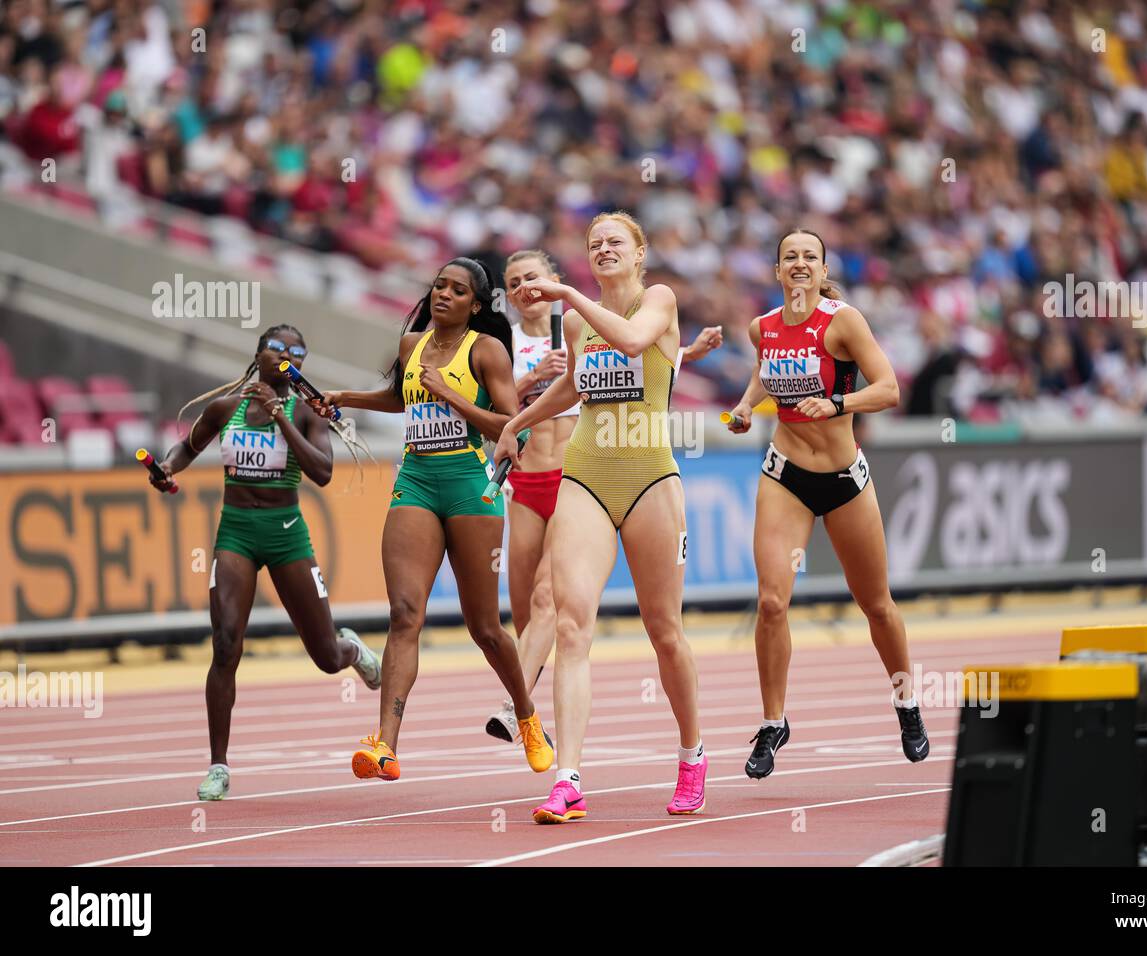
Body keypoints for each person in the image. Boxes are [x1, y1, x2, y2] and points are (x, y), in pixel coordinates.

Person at [494, 212, 706, 822]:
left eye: (616, 242)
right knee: (569, 627)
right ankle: (569, 780)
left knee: (663, 630)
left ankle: (692, 752)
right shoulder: (578, 319)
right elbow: (576, 387)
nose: (604, 249)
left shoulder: (657, 299)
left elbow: (635, 342)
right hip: (585, 475)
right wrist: (516, 423)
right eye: (595, 245)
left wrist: (566, 294)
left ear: (639, 254)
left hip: (650, 480)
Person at [316, 258, 554, 781]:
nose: (444, 294)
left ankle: (528, 715)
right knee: (404, 613)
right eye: (439, 286)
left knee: (486, 629)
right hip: (417, 482)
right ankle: (385, 746)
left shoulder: (486, 350)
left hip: (471, 487)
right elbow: (401, 397)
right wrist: (347, 399)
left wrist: (449, 392)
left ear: (475, 303)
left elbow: (511, 422)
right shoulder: (412, 346)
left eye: (457, 290)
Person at [725, 228, 929, 779]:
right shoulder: (761, 327)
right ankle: (773, 723)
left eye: (808, 257)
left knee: (876, 604)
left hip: (844, 479)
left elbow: (888, 388)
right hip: (785, 476)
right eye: (788, 257)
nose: (798, 264)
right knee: (771, 602)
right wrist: (746, 406)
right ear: (776, 270)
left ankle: (907, 705)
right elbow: (767, 373)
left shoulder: (843, 321)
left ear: (821, 269)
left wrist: (837, 401)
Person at [152, 325, 381, 801]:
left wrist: (280, 417)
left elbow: (321, 472)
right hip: (235, 531)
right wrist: (168, 468)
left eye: (296, 353)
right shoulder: (226, 409)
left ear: (300, 366)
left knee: (325, 657)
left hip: (285, 535)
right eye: (276, 347)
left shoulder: (305, 412)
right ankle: (219, 765)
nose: (284, 356)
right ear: (257, 353)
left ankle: (352, 651)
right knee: (225, 642)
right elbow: (187, 447)